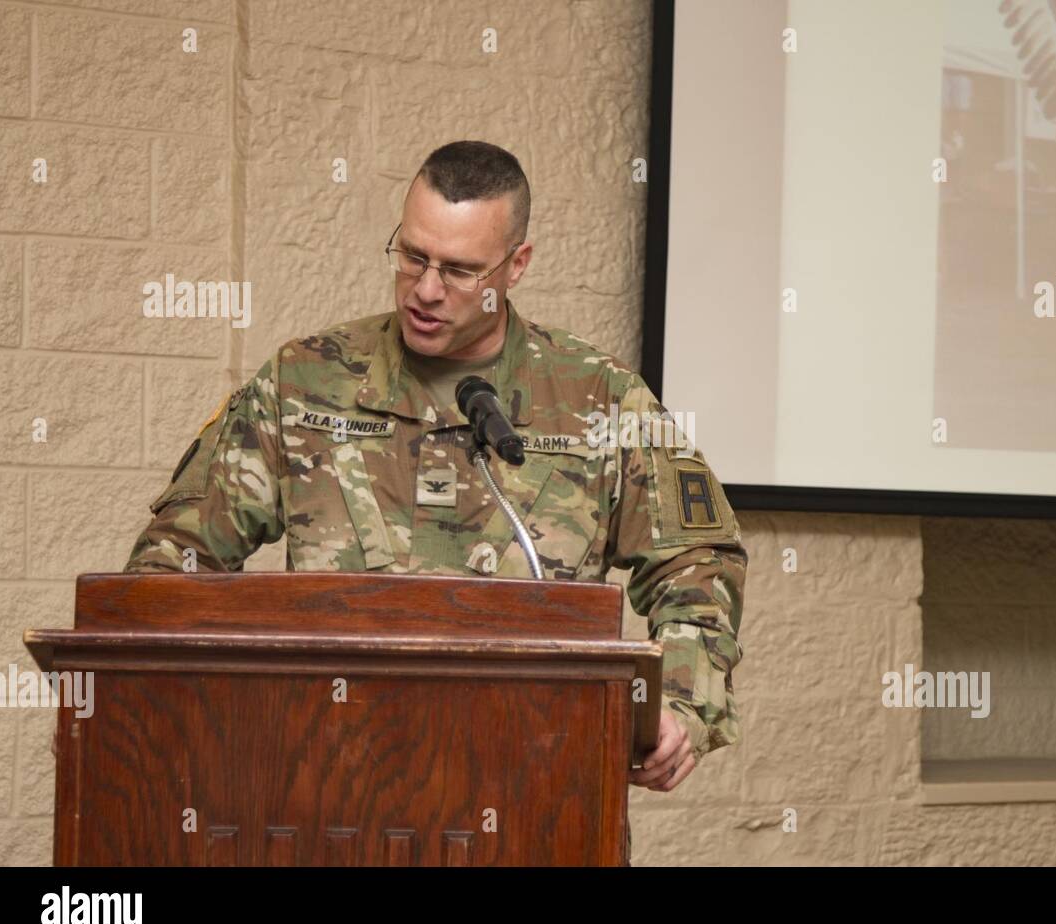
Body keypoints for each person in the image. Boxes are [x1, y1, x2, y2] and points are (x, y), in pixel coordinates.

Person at [124, 141, 747, 806]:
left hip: (536, 795)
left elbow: (696, 565)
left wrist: (680, 704)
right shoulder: (305, 383)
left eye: (459, 270)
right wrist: (136, 707)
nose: (425, 290)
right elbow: (177, 558)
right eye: (412, 256)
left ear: (516, 266)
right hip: (325, 790)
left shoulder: (601, 400)